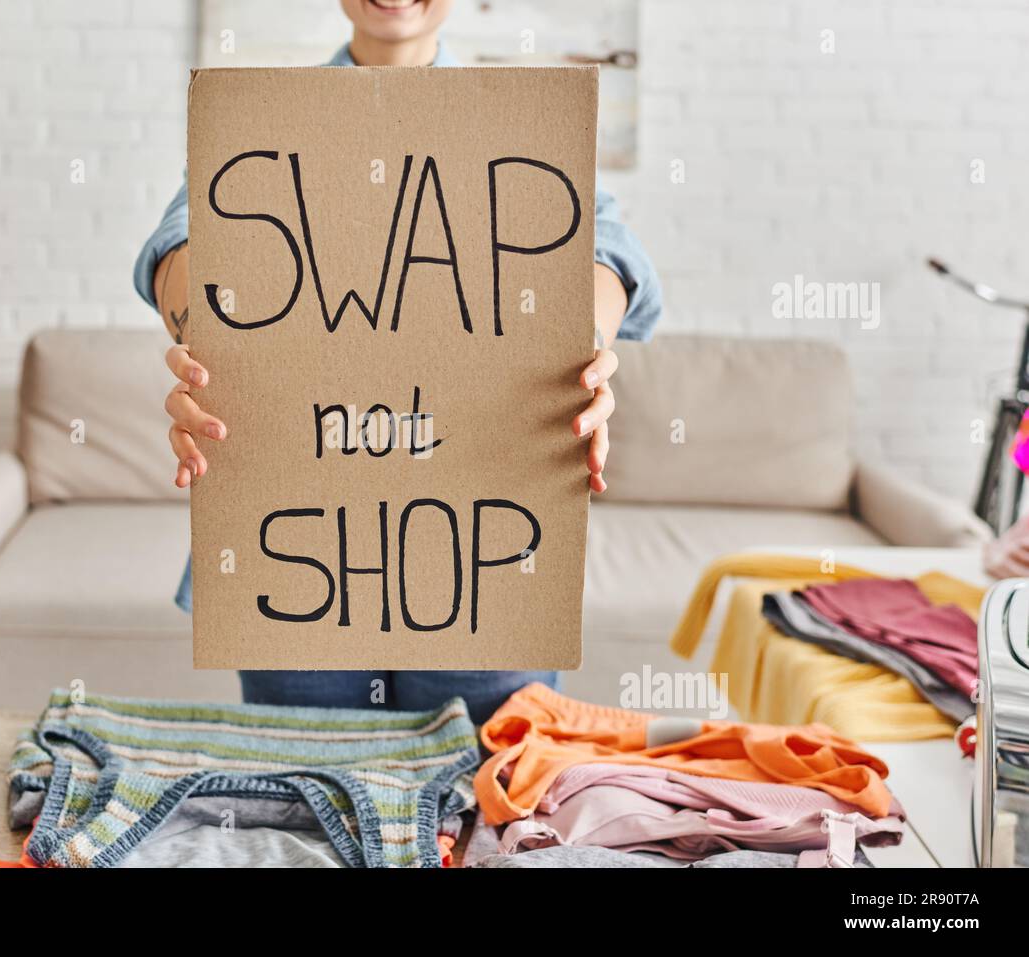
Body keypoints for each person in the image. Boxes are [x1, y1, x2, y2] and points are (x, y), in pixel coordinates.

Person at [132, 0, 663, 724]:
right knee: (309, 803)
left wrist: (584, 344)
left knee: (490, 800)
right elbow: (182, 243)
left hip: (488, 525)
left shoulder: (516, 120)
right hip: (294, 537)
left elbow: (608, 253)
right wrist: (206, 337)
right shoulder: (263, 118)